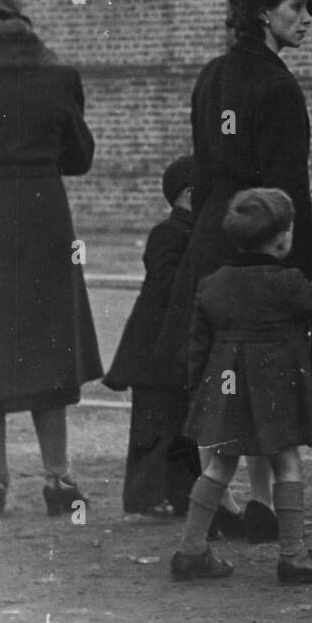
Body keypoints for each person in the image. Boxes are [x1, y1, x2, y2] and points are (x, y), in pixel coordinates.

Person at [158, 0, 312, 542]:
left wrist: (199, 243)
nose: (307, 20)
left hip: (213, 234)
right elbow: (289, 189)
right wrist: (309, 267)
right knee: (271, 371)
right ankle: (262, 505)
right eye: (296, 7)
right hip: (263, 238)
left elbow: (204, 172)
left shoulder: (211, 75)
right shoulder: (279, 86)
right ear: (262, 11)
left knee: (224, 372)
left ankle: (232, 505)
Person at [172, 187, 312, 582]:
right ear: (283, 237)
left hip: (226, 388)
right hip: (275, 389)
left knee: (218, 465)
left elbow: (196, 351)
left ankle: (190, 550)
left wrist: (201, 396)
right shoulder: (286, 283)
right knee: (286, 462)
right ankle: (293, 555)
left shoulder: (213, 284)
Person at [0, 0, 101, 519]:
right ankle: (58, 477)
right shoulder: (58, 75)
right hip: (46, 217)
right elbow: (79, 157)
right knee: (50, 345)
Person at [103, 158, 201, 518]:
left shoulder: (189, 232)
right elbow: (168, 282)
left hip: (168, 348)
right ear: (188, 193)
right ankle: (145, 496)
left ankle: (178, 494)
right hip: (154, 349)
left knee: (178, 425)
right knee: (154, 427)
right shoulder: (168, 232)